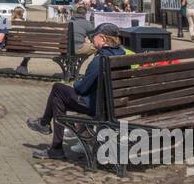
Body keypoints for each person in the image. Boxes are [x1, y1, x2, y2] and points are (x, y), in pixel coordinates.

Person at [26, 24, 127, 158]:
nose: (91, 40)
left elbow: (81, 88)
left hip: (96, 106)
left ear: (103, 39)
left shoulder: (101, 59)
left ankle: (47, 129)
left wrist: (77, 82)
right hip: (112, 105)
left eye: (93, 37)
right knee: (58, 98)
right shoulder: (122, 55)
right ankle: (52, 140)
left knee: (58, 90)